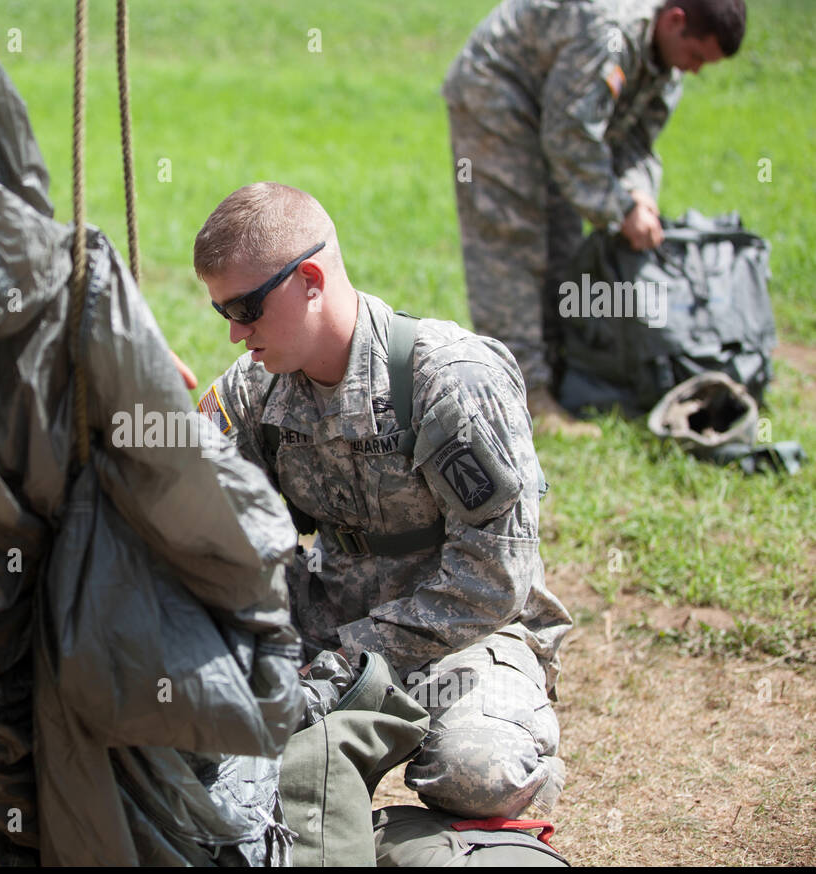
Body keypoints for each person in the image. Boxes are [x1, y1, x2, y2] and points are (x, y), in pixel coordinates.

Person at [195, 182, 573, 821]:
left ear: (310, 277)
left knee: (477, 772)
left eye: (247, 308)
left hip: (462, 639)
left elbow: (493, 580)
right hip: (325, 623)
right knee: (181, 727)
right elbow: (213, 528)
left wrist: (347, 661)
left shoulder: (451, 379)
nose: (236, 335)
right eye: (222, 313)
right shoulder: (255, 390)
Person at [442, 0, 747, 436]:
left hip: (555, 112)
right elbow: (570, 136)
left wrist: (638, 193)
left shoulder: (667, 61)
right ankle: (520, 394)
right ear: (675, 20)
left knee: (564, 240)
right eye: (697, 56)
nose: (696, 70)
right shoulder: (610, 32)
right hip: (497, 95)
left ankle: (561, 373)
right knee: (512, 240)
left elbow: (634, 139)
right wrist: (619, 209)